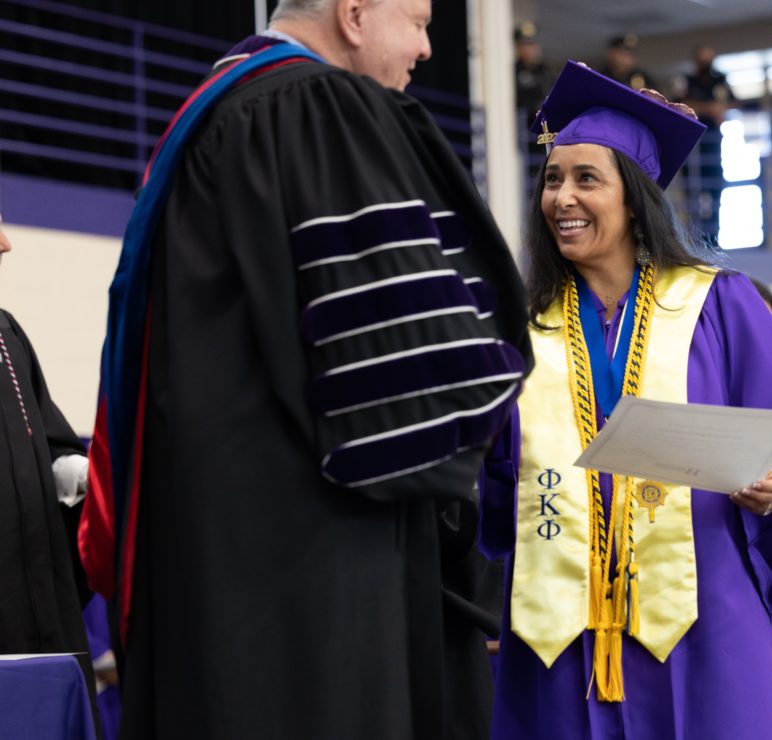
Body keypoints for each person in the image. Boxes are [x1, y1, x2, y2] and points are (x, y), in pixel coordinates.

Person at [78, 0, 532, 737]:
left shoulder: (214, 112)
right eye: (417, 22)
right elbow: (406, 377)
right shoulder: (312, 107)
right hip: (311, 578)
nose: (423, 49)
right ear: (354, 14)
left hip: (217, 556)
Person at [479, 60, 772, 739]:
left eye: (587, 179)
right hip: (561, 628)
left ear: (634, 196)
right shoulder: (525, 327)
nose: (562, 198)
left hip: (700, 616)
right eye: (552, 179)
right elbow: (491, 479)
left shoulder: (716, 305)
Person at [0, 225, 99, 720]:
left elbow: (50, 442)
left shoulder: (8, 335)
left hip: (42, 612)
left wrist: (79, 472)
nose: (5, 243)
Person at [675, 45, 736, 241]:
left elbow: (732, 102)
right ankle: (695, 238)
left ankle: (713, 237)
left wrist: (717, 109)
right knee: (692, 194)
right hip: (692, 146)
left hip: (713, 147)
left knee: (715, 192)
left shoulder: (720, 79)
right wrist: (707, 108)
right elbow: (680, 103)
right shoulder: (687, 80)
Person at [514, 22, 553, 123]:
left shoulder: (544, 70)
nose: (530, 49)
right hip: (524, 125)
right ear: (518, 47)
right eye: (525, 45)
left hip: (545, 123)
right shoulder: (514, 71)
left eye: (532, 44)